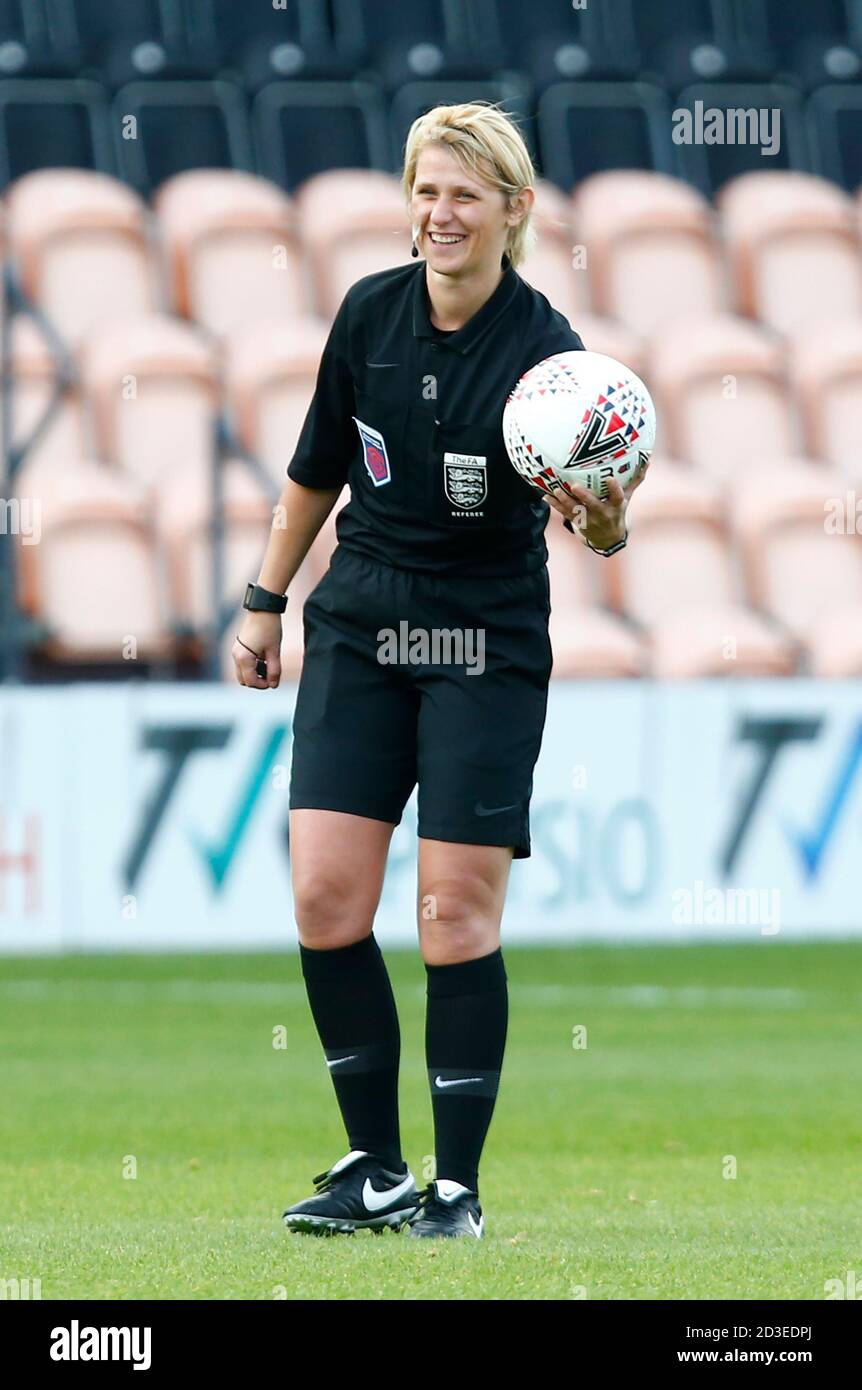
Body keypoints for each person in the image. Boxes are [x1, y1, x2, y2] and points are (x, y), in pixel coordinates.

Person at [233, 102, 646, 1239]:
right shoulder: (369, 312)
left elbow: (600, 526)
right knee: (325, 897)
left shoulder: (552, 360)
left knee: (453, 913)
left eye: (465, 193)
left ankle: (454, 1189)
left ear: (515, 210)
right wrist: (264, 602)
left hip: (481, 640)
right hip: (362, 624)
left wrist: (608, 520)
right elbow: (315, 470)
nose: (441, 212)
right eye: (425, 190)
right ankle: (374, 1167)